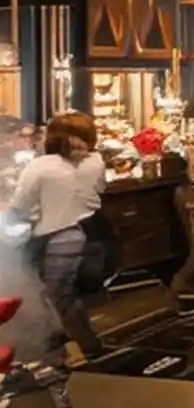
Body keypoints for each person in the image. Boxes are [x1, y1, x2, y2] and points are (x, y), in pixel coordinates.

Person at [5, 112, 107, 365]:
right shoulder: (96, 162)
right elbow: (97, 191)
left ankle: (80, 347)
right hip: (94, 238)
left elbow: (20, 206)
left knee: (53, 294)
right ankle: (71, 344)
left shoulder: (41, 166)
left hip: (57, 238)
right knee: (64, 294)